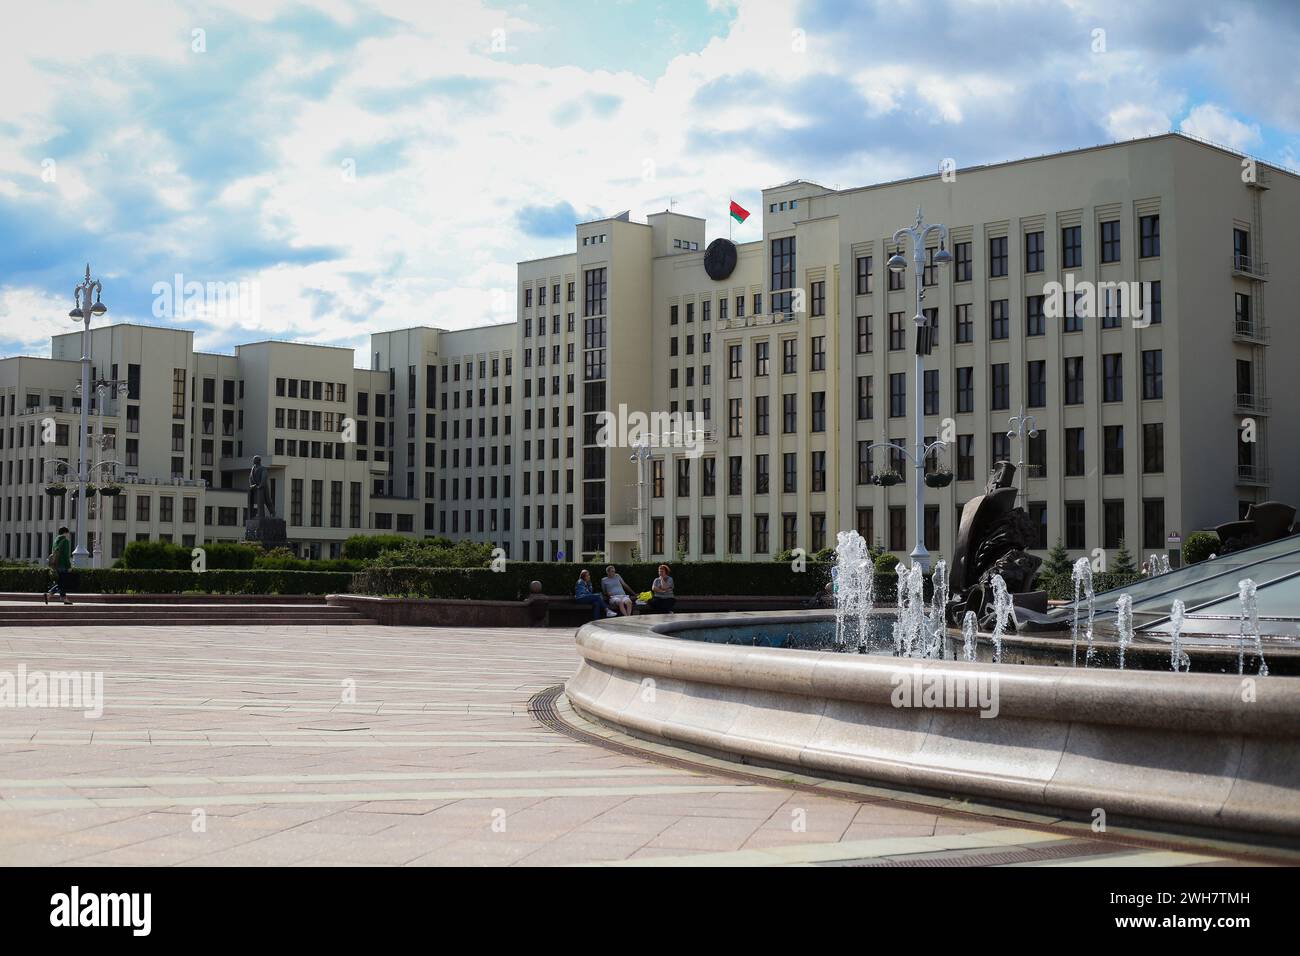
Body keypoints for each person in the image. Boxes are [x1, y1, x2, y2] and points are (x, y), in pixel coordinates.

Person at [45, 526, 73, 605]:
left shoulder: (56, 541)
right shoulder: (65, 541)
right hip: (63, 564)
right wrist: (69, 566)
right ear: (65, 533)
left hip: (55, 564)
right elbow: (65, 555)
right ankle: (50, 594)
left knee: (61, 581)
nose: (68, 535)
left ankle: (63, 598)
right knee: (62, 582)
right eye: (68, 533)